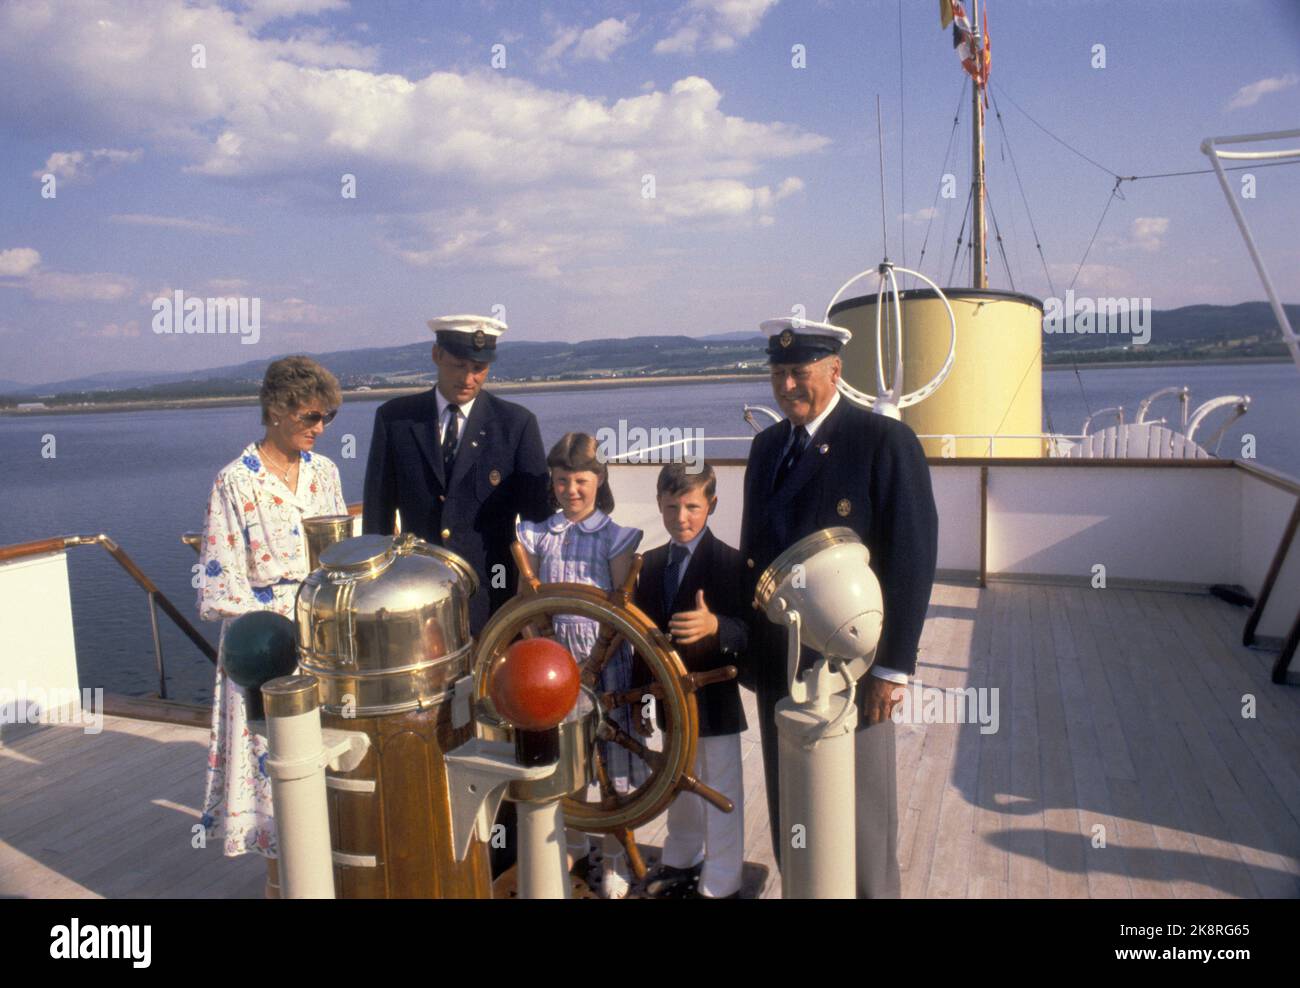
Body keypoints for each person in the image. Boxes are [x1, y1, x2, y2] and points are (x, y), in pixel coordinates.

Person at [739, 317, 938, 899]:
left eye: (799, 372)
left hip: (852, 670)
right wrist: (749, 653)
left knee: (862, 820)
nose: (787, 386)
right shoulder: (767, 447)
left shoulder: (882, 442)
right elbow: (756, 561)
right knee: (791, 810)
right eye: (778, 373)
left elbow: (912, 556)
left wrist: (891, 669)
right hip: (782, 663)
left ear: (834, 370)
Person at [196, 355, 347, 874]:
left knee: (319, 751)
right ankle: (279, 879)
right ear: (276, 409)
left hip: (320, 631)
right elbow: (220, 579)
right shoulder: (234, 482)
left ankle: (322, 867)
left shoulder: (325, 473)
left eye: (327, 416)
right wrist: (268, 626)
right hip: (261, 641)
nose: (320, 428)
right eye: (310, 416)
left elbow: (339, 558)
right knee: (272, 760)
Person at [515, 432, 648, 898]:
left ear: (599, 481)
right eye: (562, 480)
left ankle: (614, 860)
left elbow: (621, 615)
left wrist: (597, 661)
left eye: (581, 481)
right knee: (566, 760)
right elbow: (524, 607)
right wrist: (538, 647)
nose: (571, 490)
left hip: (603, 664)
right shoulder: (534, 535)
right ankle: (568, 844)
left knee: (612, 766)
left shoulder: (615, 538)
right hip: (553, 666)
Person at [362, 314, 550, 635]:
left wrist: (536, 597)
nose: (469, 378)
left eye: (479, 369)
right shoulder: (395, 421)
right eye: (459, 365)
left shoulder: (516, 425)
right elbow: (377, 518)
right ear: (437, 356)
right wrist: (374, 591)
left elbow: (539, 522)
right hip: (416, 595)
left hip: (494, 593)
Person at [635, 462, 749, 900]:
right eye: (671, 507)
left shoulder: (730, 563)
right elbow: (644, 639)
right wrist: (644, 701)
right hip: (668, 704)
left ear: (712, 505)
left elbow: (750, 633)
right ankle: (680, 857)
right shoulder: (651, 564)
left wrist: (716, 625)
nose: (680, 517)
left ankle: (722, 879)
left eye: (692, 506)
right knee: (677, 784)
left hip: (715, 701)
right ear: (659, 506)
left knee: (719, 788)